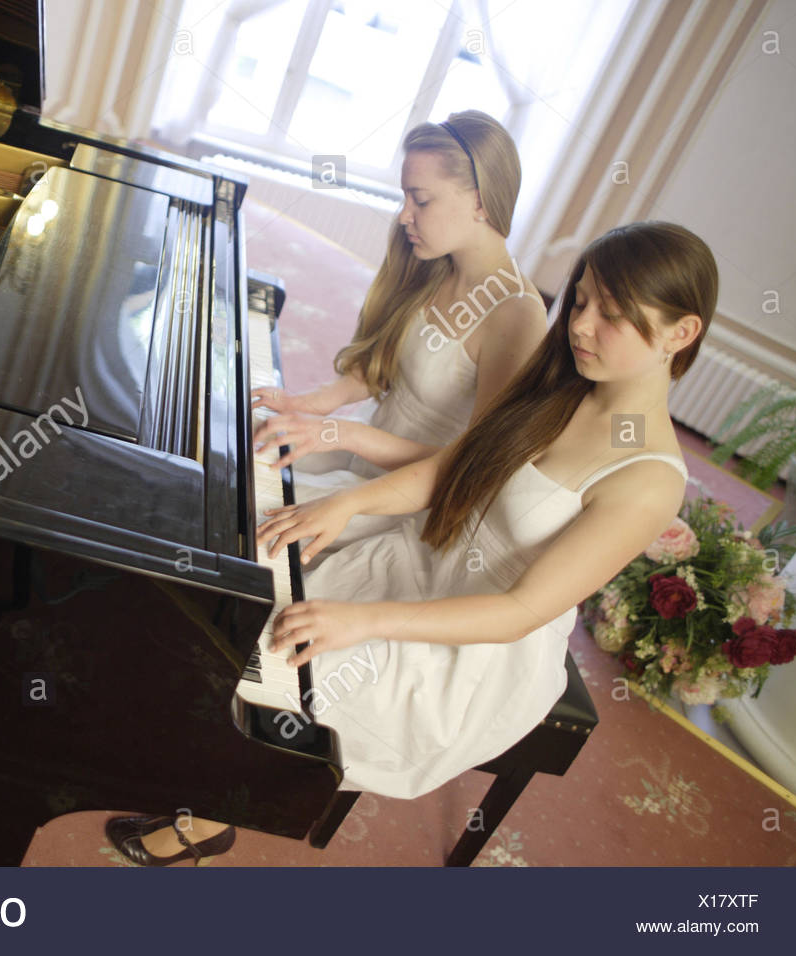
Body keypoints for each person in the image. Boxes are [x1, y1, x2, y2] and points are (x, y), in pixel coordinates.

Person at [108, 220, 715, 865]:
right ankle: (188, 760)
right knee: (235, 574)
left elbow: (520, 612)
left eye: (612, 314)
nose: (580, 325)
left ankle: (211, 814)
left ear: (682, 333)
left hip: (471, 642)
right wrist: (349, 503)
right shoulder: (563, 385)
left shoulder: (647, 478)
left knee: (278, 654)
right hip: (420, 552)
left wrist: (363, 620)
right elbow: (455, 469)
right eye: (581, 300)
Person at [252, 109, 548, 557]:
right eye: (405, 198)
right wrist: (312, 404)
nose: (405, 215)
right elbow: (384, 366)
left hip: (406, 498)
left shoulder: (517, 317)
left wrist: (339, 433)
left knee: (256, 518)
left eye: (421, 200)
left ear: (480, 202)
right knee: (242, 441)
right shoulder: (434, 262)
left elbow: (472, 466)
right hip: (363, 448)